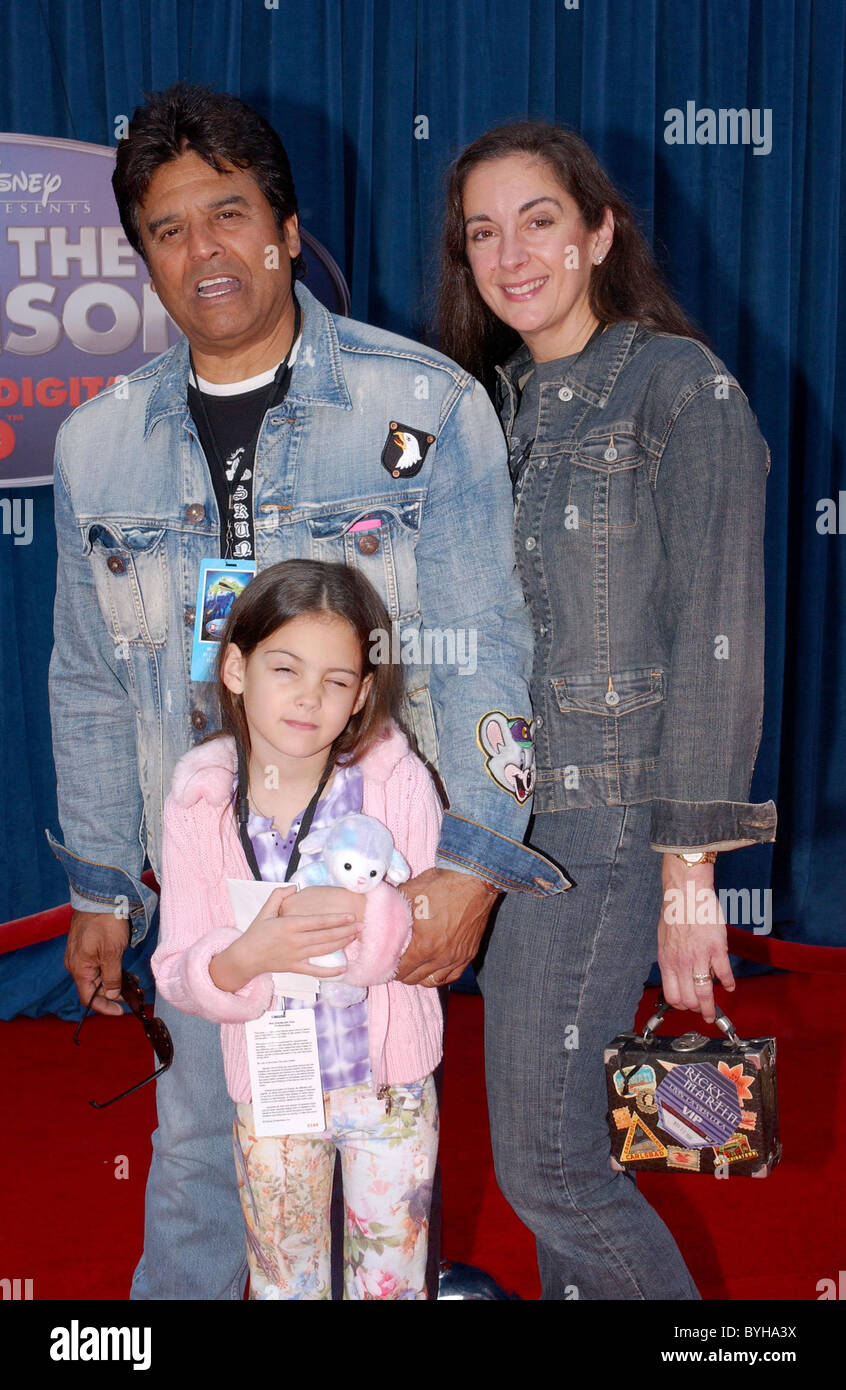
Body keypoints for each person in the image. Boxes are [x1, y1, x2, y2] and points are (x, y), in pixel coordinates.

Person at [47, 86, 569, 1300]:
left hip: (370, 882)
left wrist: (476, 860)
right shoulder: (96, 448)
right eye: (168, 230)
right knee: (192, 1169)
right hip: (210, 892)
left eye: (229, 214)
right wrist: (102, 886)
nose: (204, 251)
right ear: (143, 260)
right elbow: (86, 680)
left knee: (380, 1178)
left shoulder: (425, 406)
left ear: (286, 228)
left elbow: (489, 644)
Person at [437, 120, 777, 1300]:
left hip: (610, 830)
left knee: (547, 1166)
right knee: (559, 1151)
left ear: (599, 232)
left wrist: (692, 883)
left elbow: (719, 645)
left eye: (539, 220)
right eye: (484, 231)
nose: (511, 253)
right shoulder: (506, 406)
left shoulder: (681, 389)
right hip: (517, 829)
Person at [153, 559, 443, 1299]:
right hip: (273, 1097)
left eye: (337, 680)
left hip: (391, 1094)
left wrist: (378, 921)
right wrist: (247, 955)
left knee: (393, 1286)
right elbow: (178, 965)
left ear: (362, 695)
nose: (309, 698)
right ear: (236, 668)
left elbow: (431, 931)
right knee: (286, 1285)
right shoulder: (200, 799)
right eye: (286, 668)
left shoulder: (394, 781)